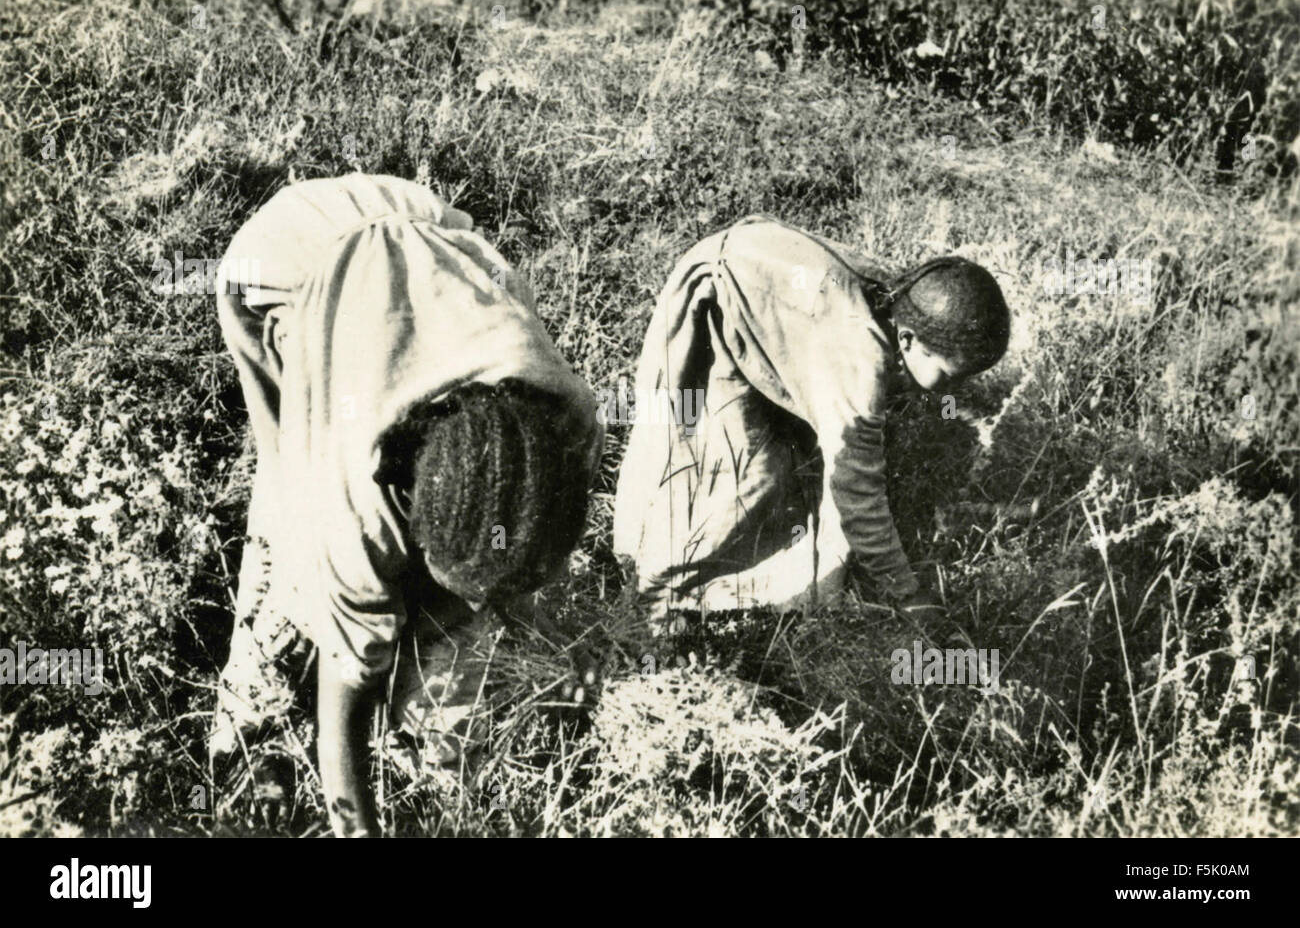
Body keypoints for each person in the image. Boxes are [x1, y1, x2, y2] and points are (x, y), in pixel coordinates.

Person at [213, 173, 603, 837]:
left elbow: (502, 551)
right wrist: (358, 829)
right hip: (290, 260)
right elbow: (346, 710)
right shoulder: (357, 502)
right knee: (294, 531)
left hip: (428, 226)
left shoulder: (567, 436)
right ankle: (240, 742)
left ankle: (433, 739)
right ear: (407, 506)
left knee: (465, 628)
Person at [612, 215, 1010, 630]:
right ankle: (652, 603)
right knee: (745, 474)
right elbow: (858, 495)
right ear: (907, 340)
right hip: (721, 293)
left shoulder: (901, 311)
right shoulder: (859, 360)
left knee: (795, 457)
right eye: (947, 376)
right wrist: (909, 596)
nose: (948, 391)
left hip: (771, 283)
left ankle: (756, 585)